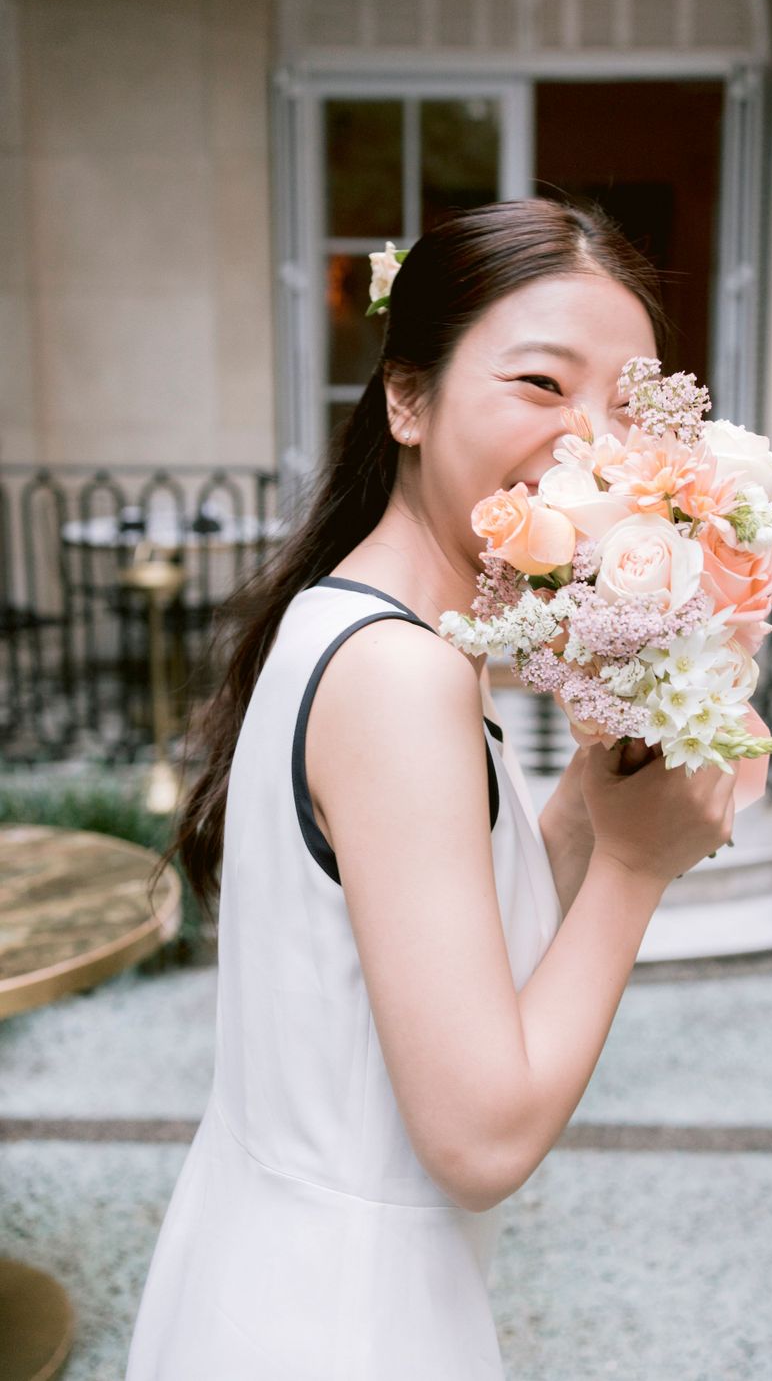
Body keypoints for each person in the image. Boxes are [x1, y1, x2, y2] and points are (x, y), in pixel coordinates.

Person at [125, 197, 737, 1379]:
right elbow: (480, 1139)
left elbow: (449, 932)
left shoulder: (364, 623)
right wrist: (635, 867)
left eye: (628, 408)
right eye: (541, 383)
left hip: (277, 1269)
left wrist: (602, 785)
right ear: (406, 399)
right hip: (346, 1320)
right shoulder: (399, 674)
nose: (590, 444)